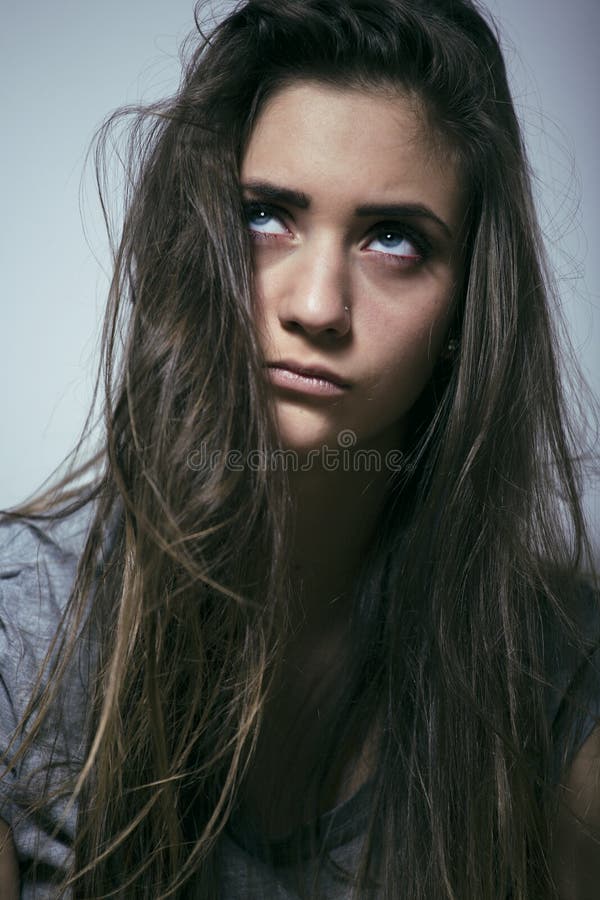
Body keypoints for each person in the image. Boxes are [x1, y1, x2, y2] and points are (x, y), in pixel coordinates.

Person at [1, 0, 599, 897]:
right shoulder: (21, 637)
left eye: (393, 239)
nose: (317, 307)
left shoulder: (556, 677)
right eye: (266, 217)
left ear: (465, 308)